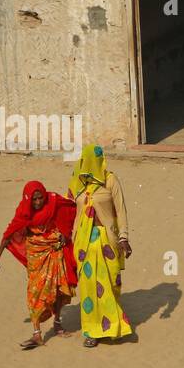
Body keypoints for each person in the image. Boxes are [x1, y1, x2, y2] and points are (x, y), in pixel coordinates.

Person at [0, 180, 77, 349]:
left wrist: (65, 234)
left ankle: (57, 323)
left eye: (40, 198)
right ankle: (37, 333)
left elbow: (69, 208)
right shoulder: (24, 211)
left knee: (58, 288)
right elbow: (8, 234)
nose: (38, 202)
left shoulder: (52, 200)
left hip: (55, 250)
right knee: (35, 291)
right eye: (34, 200)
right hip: (36, 255)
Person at [68, 144, 133, 348]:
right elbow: (68, 211)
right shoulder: (76, 183)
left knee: (111, 284)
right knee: (88, 290)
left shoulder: (110, 180)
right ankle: (92, 331)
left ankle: (113, 327)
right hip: (84, 243)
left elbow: (121, 211)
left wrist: (124, 237)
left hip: (107, 240)